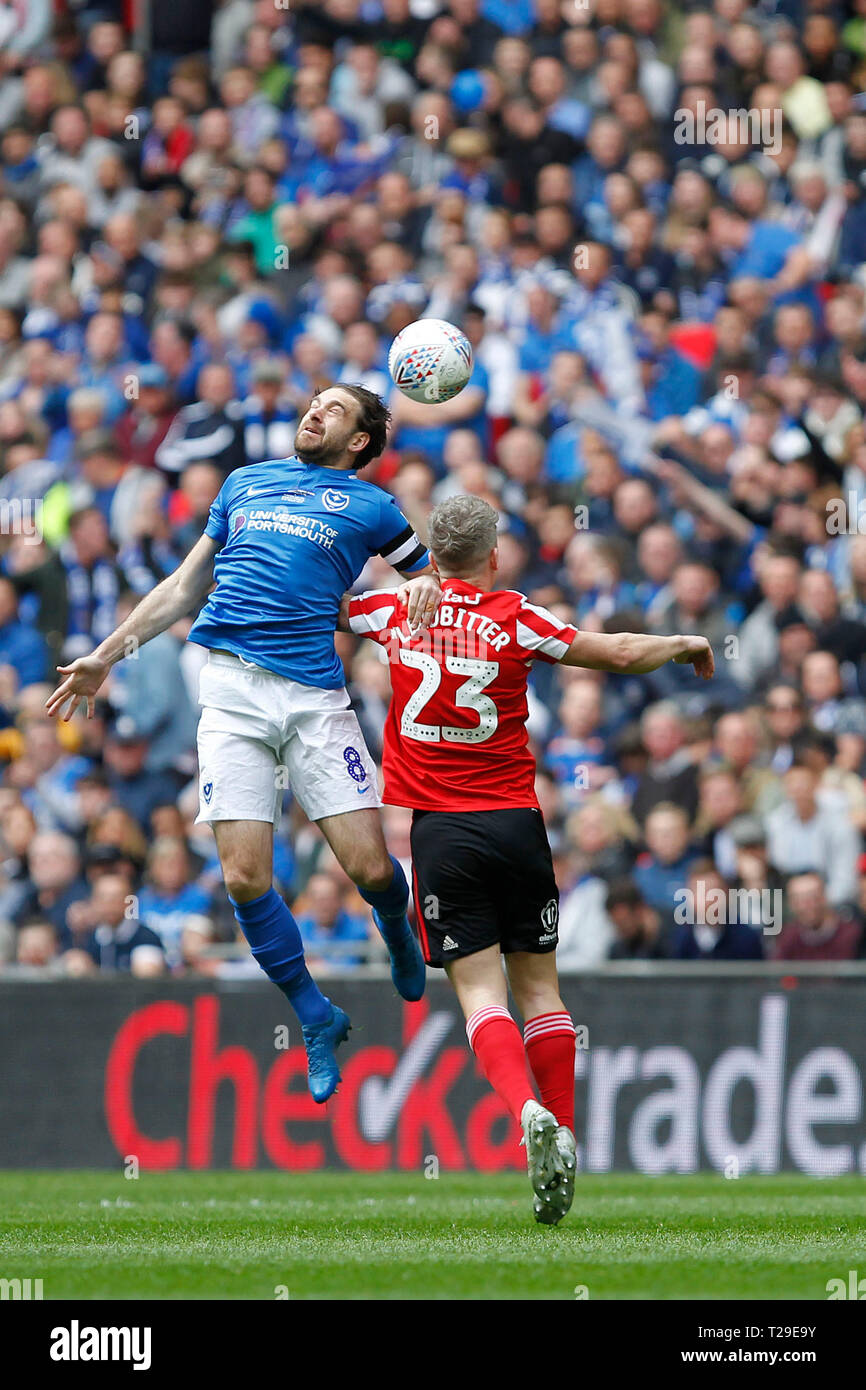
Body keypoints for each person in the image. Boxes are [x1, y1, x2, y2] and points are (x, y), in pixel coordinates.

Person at [45, 385, 441, 1103]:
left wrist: (423, 586)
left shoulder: (372, 506)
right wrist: (107, 655)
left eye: (334, 411)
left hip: (315, 700)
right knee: (243, 879)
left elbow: (427, 574)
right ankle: (316, 1016)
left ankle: (397, 925)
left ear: (358, 442)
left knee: (370, 866)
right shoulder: (243, 482)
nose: (313, 412)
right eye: (313, 403)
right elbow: (183, 587)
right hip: (230, 694)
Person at [340, 494, 713, 1223]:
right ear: (494, 555)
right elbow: (620, 653)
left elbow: (314, 611)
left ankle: (525, 1115)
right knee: (541, 989)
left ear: (429, 556)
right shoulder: (517, 614)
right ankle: (565, 1132)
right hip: (516, 823)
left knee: (482, 996)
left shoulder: (391, 610)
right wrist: (684, 644)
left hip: (440, 834)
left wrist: (388, 580)